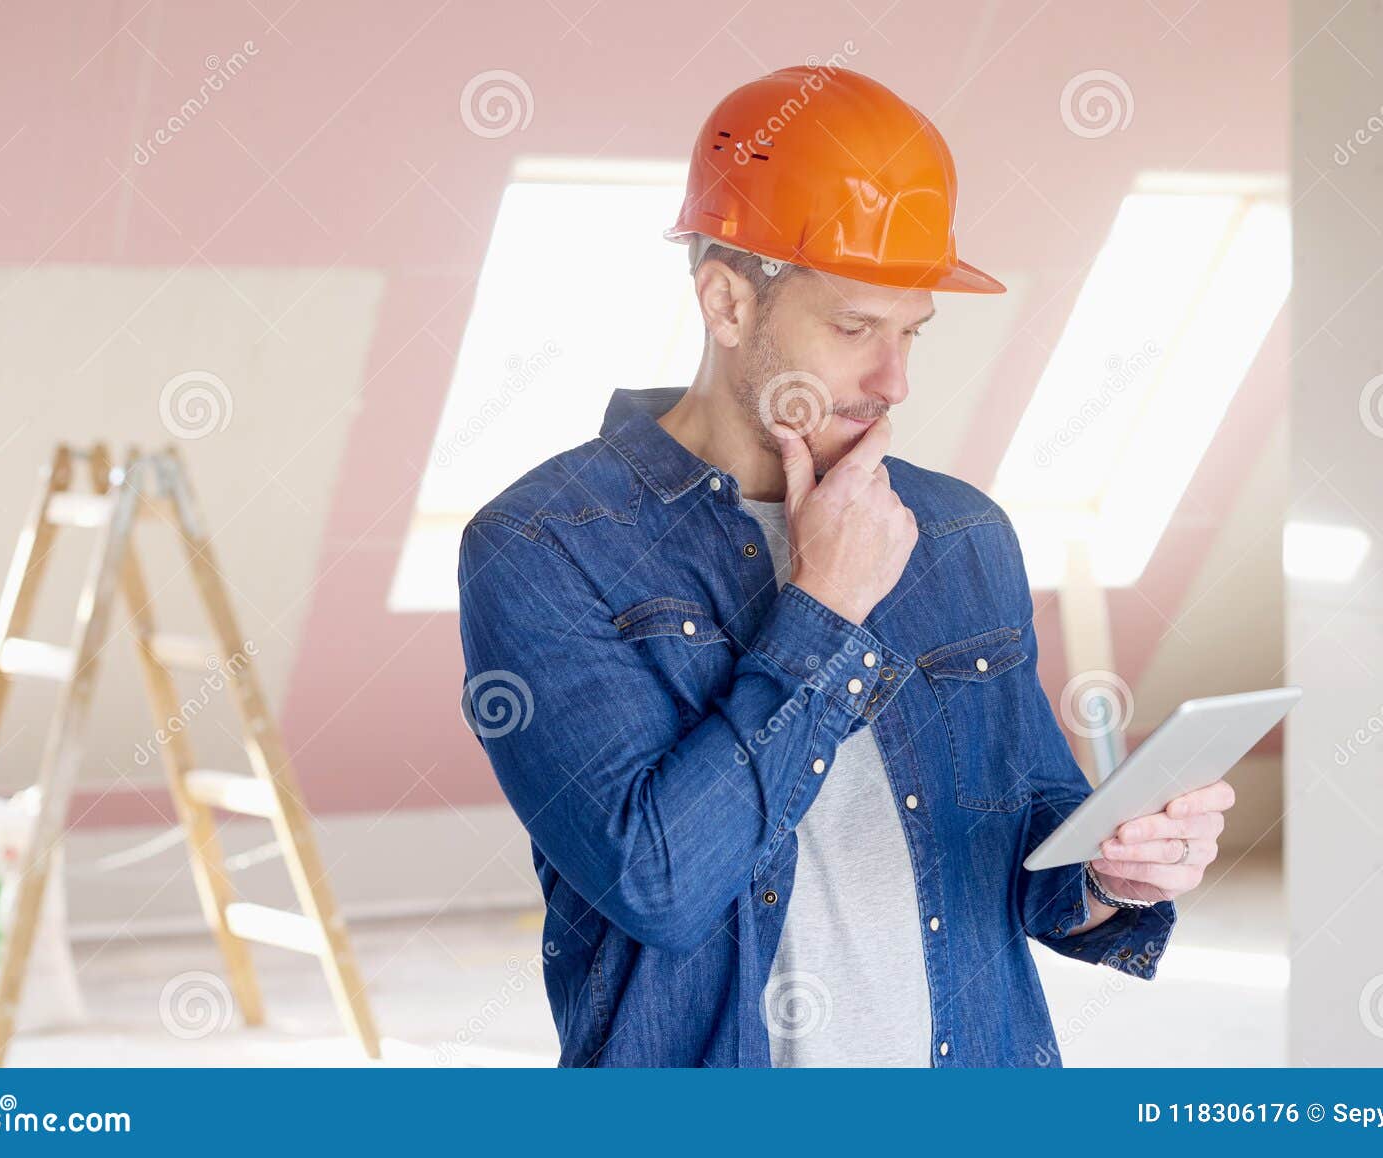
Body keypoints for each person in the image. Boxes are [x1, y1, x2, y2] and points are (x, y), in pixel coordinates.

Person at [456, 64, 1234, 1067]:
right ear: (726, 301)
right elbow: (657, 882)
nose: (894, 379)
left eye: (912, 331)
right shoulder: (546, 545)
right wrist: (822, 607)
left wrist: (1112, 877)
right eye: (854, 327)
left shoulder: (957, 534)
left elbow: (1025, 863)